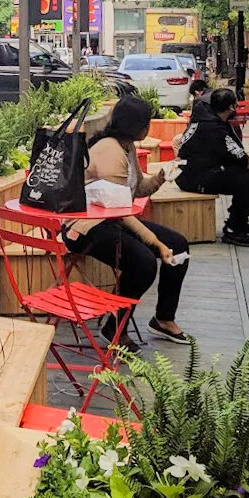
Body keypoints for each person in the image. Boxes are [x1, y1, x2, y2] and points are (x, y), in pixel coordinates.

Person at [63, 95, 192, 351]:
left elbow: (135, 191)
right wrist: (155, 243)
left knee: (178, 245)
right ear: (139, 126)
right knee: (143, 263)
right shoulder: (110, 151)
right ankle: (115, 325)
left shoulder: (126, 146)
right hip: (87, 226)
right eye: (147, 123)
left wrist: (161, 177)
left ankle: (164, 318)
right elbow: (120, 210)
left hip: (112, 220)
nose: (149, 128)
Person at [175, 87, 249, 247]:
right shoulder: (214, 128)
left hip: (189, 171)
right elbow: (242, 159)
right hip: (193, 178)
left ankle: (238, 221)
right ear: (231, 108)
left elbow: (233, 156)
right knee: (248, 180)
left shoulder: (205, 116)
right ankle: (234, 228)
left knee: (247, 174)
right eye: (236, 105)